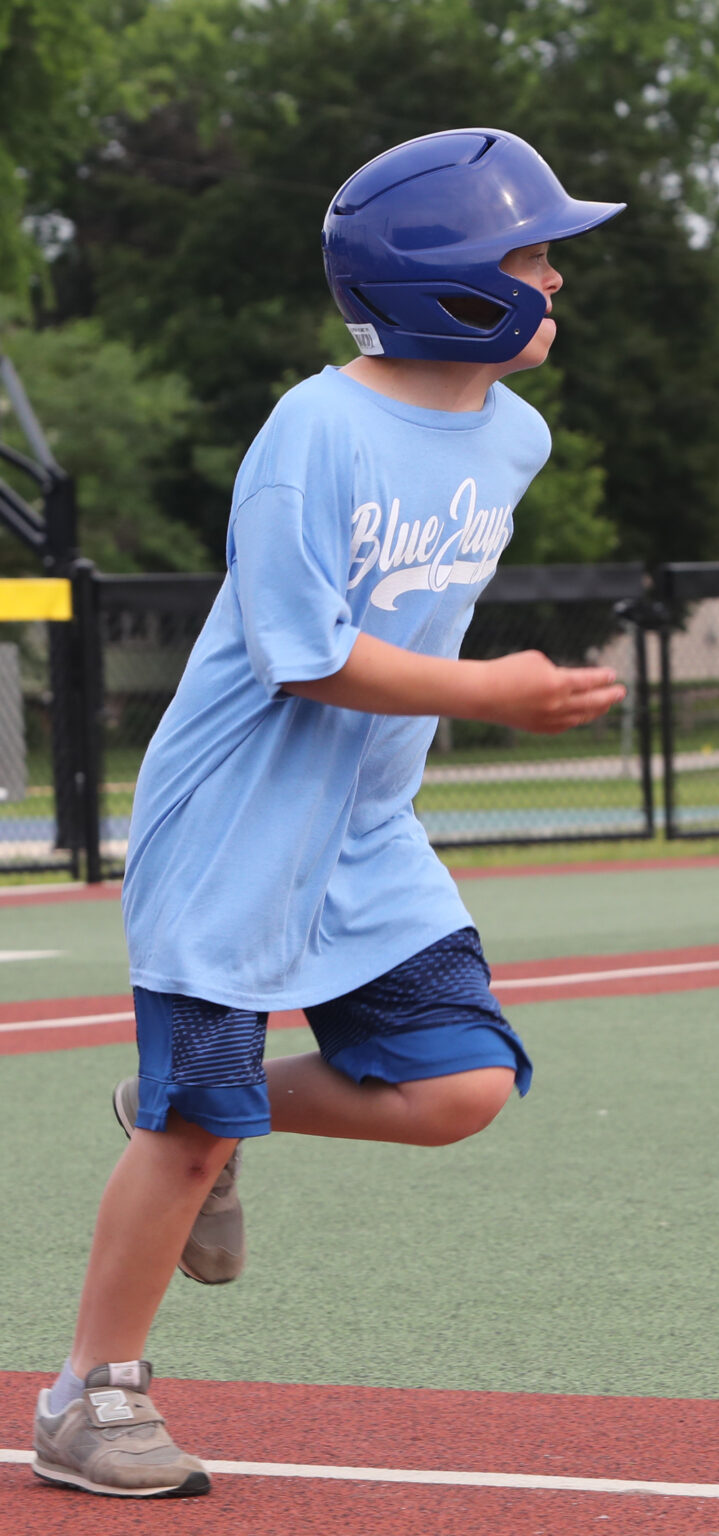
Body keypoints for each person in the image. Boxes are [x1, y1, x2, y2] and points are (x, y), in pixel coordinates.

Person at [32, 126, 626, 1498]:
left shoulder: (513, 433)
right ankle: (88, 1400)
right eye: (532, 256)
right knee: (189, 1138)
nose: (555, 280)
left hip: (362, 827)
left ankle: (196, 1108)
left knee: (459, 1083)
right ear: (452, 284)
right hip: (237, 825)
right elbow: (304, 654)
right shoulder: (313, 432)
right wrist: (492, 693)